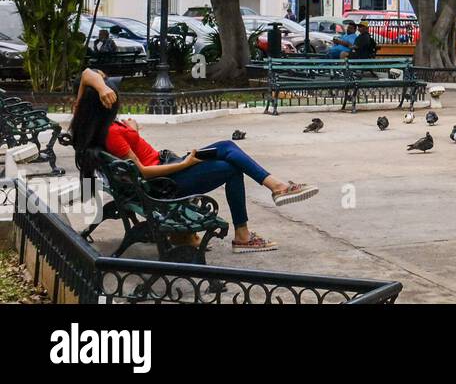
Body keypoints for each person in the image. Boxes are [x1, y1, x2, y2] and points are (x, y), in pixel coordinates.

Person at [69, 68, 318, 253]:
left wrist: (130, 128)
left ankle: (269, 198)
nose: (112, 90)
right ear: (101, 103)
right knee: (231, 163)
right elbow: (143, 172)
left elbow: (86, 75)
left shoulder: (90, 123)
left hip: (159, 177)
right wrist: (186, 164)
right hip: (164, 184)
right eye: (108, 88)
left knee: (228, 149)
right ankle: (261, 210)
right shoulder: (110, 133)